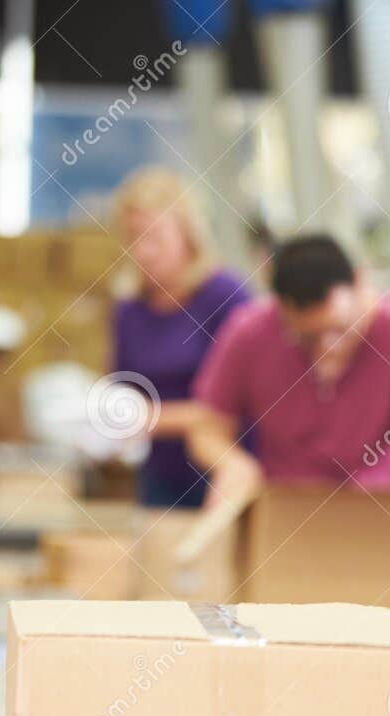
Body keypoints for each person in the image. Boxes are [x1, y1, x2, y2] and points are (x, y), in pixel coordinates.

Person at [187, 235, 390, 506]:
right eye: (307, 337)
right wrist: (233, 464)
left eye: (340, 330)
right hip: (286, 511)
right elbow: (207, 429)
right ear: (279, 307)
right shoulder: (248, 334)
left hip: (384, 511)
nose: (327, 349)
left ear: (360, 282)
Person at [110, 167, 251, 508]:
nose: (144, 252)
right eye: (134, 238)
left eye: (155, 237)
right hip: (159, 476)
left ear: (188, 235)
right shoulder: (129, 308)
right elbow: (123, 385)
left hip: (224, 473)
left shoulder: (227, 299)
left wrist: (153, 418)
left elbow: (244, 403)